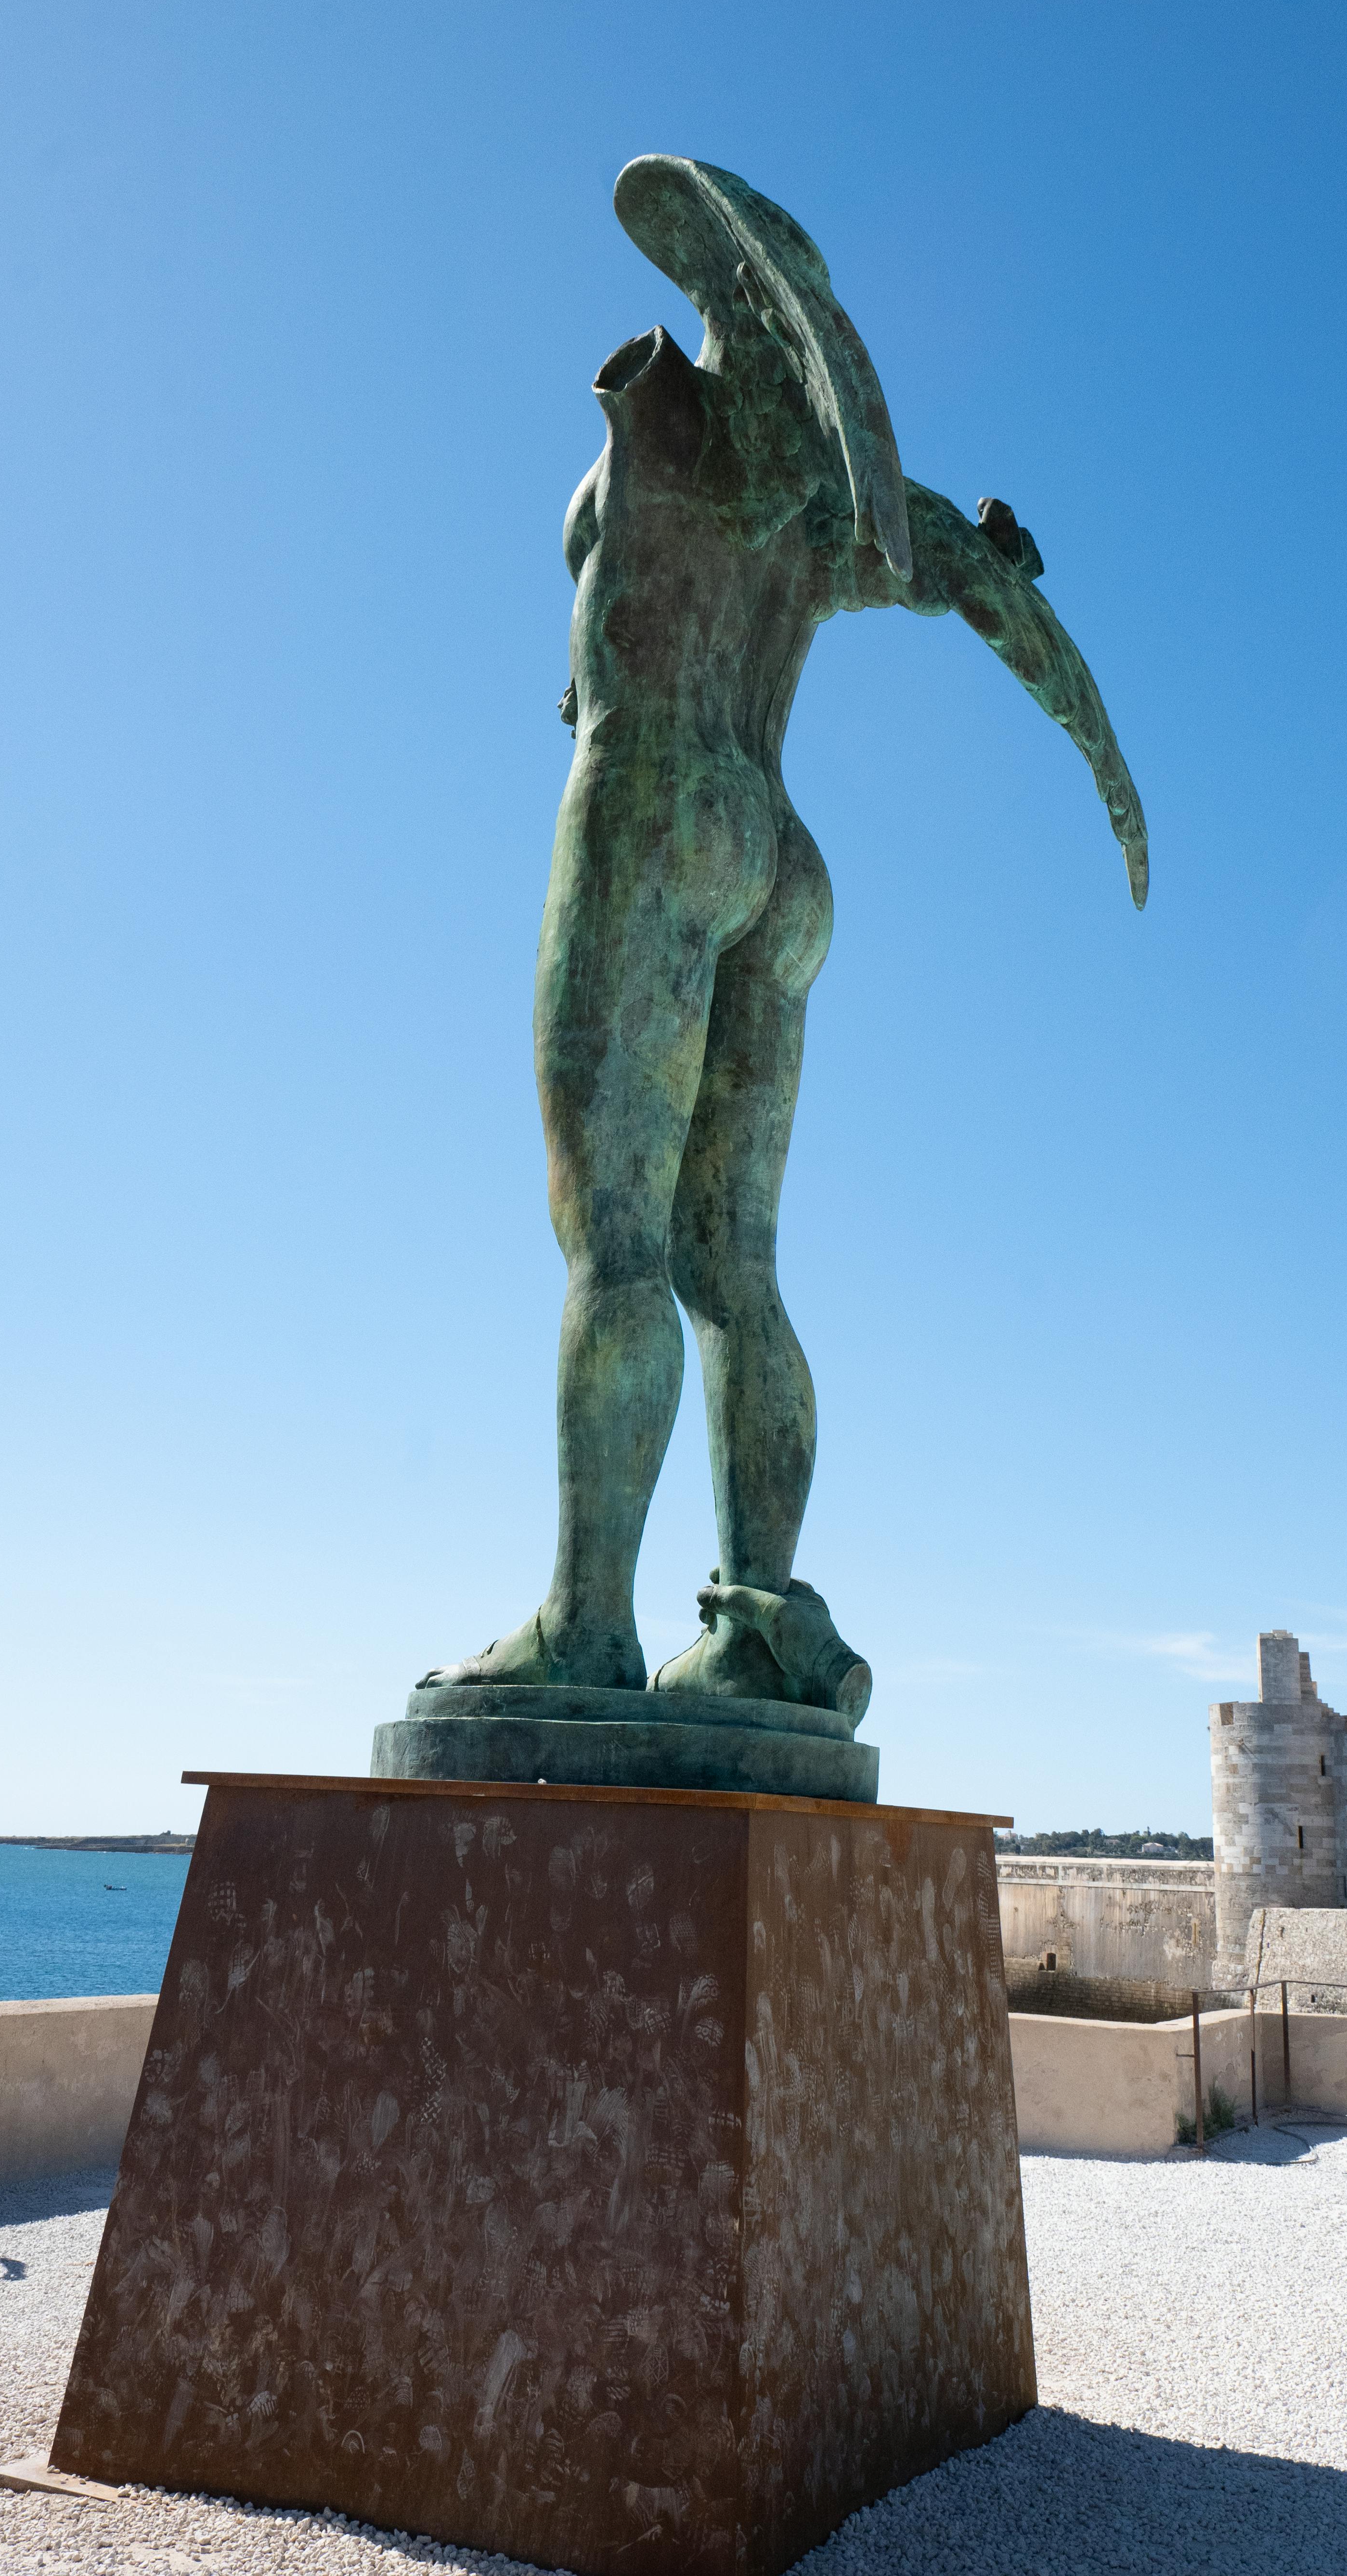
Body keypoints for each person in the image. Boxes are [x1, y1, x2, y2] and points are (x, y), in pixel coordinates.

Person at [425, 162, 1147, 1719]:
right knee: (733, 1268)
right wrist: (1091, 734)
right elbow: (984, 595)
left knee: (616, 1242)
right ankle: (759, 1621)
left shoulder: (669, 410)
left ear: (727, 294)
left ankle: (587, 1626)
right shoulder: (824, 492)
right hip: (778, 854)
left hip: (651, 807)